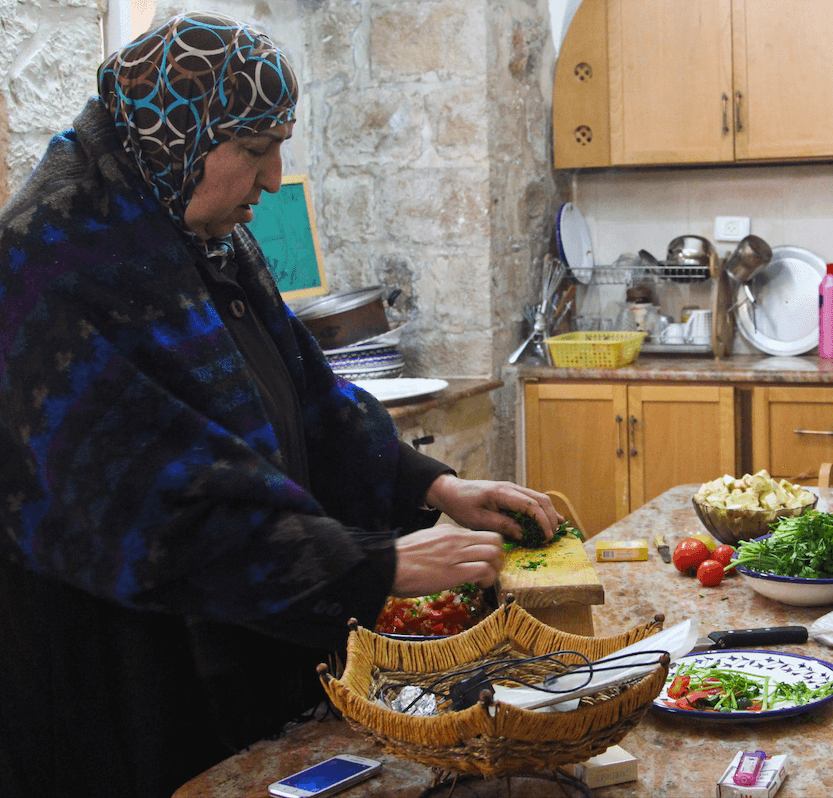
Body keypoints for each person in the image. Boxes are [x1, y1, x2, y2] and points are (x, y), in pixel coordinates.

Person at [0, 12, 560, 797]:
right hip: (115, 666)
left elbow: (308, 397)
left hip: (229, 635)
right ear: (177, 138)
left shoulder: (202, 233)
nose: (273, 178)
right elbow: (159, 499)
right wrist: (376, 566)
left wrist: (433, 486)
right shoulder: (49, 262)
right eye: (256, 151)